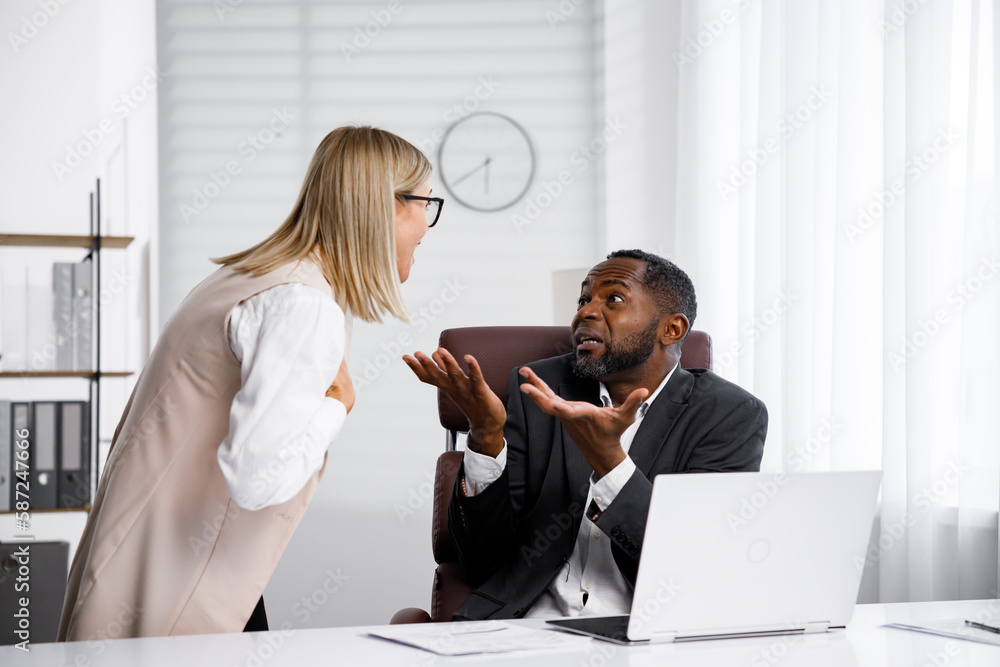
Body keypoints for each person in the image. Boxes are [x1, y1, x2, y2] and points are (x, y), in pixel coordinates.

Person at [59, 126, 444, 640]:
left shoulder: (254, 275)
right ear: (387, 205)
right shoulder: (303, 303)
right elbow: (257, 478)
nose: (428, 226)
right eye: (426, 203)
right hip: (178, 584)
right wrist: (338, 405)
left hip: (158, 562)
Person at [403, 249, 767, 620]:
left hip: (642, 632)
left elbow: (692, 562)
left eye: (614, 299)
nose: (585, 312)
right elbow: (482, 560)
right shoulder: (537, 388)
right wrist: (486, 436)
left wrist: (609, 461)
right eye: (583, 299)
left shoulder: (729, 414)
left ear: (671, 329)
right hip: (525, 629)